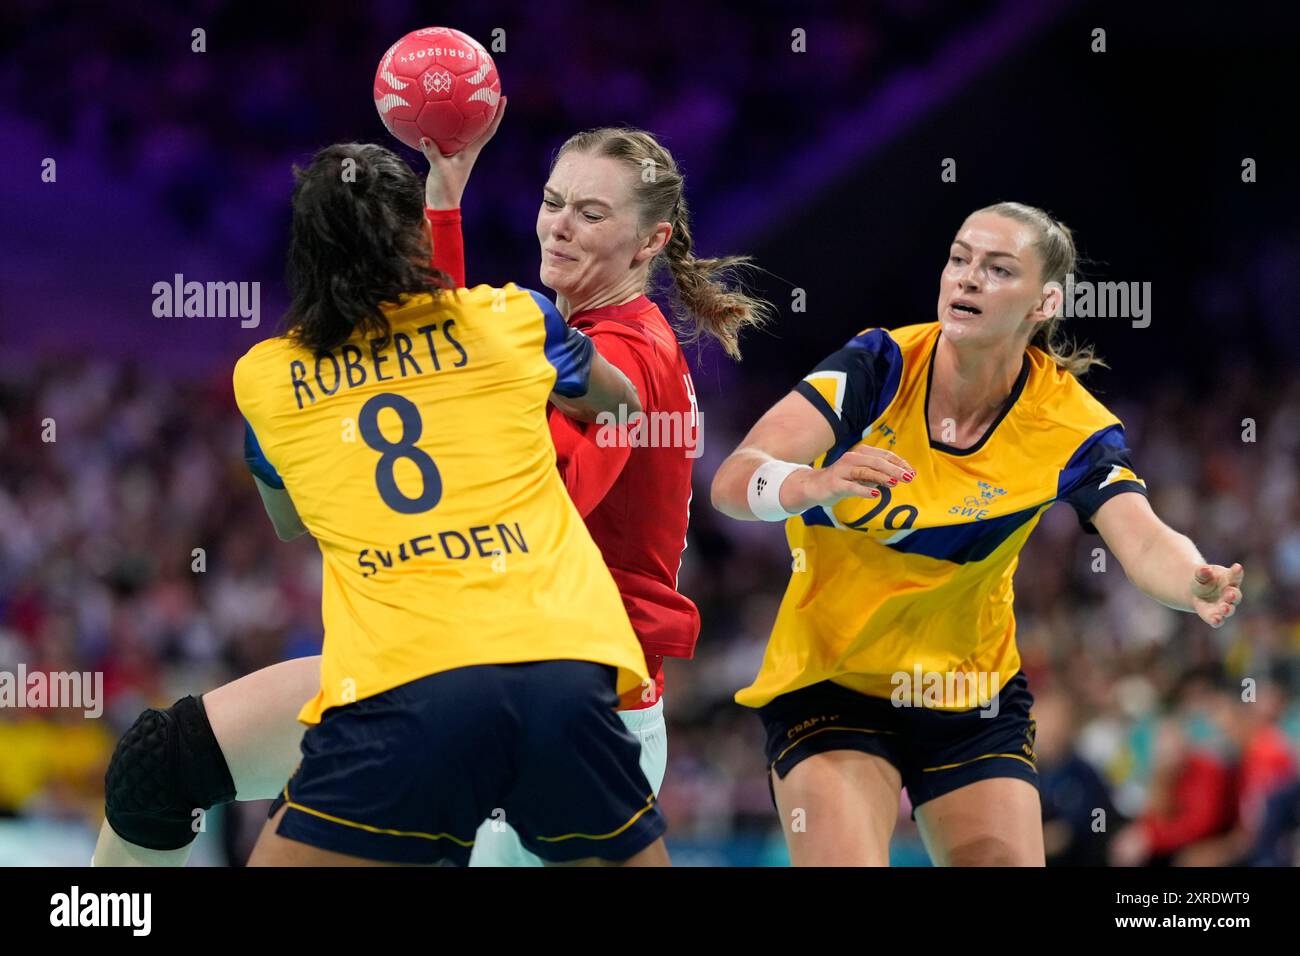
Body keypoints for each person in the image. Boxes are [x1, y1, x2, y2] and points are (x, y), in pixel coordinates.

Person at [94, 111, 769, 866]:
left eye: (591, 213)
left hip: (577, 685)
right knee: (162, 766)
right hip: (432, 658)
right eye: (552, 202)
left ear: (653, 241)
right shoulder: (521, 325)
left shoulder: (623, 347)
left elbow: (500, 472)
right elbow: (445, 361)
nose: (560, 227)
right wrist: (443, 206)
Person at [710, 201, 1245, 866]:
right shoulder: (877, 368)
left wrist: (1194, 581)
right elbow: (734, 479)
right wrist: (805, 485)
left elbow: (1142, 539)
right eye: (959, 258)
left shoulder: (1068, 424)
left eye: (997, 269)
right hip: (832, 683)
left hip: (971, 698)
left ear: (1044, 302)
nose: (966, 278)